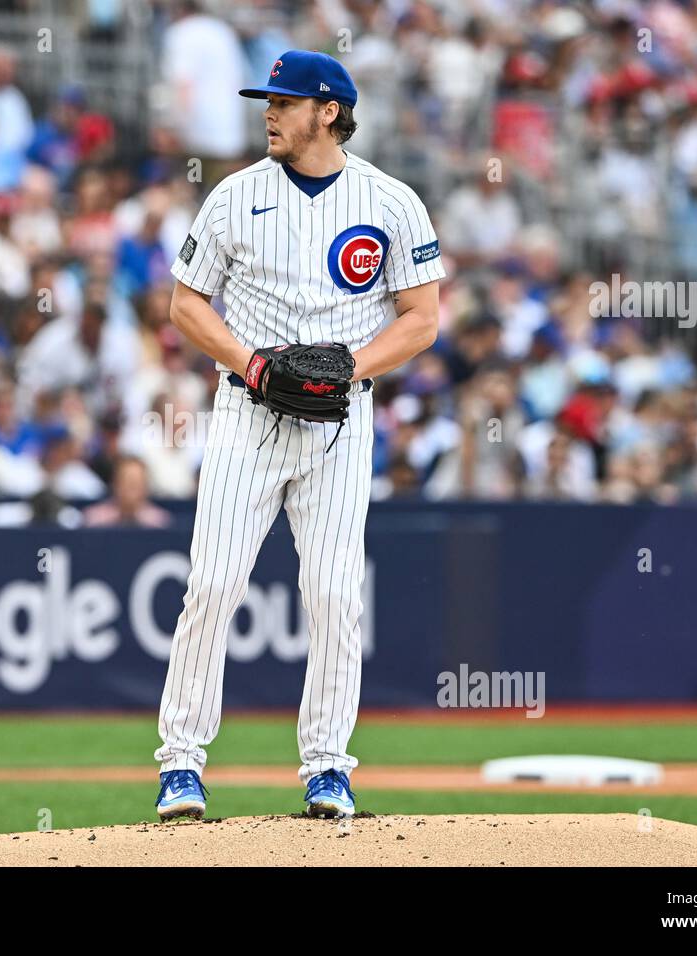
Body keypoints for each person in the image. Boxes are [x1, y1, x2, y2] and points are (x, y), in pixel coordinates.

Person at [153, 51, 443, 820]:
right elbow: (186, 305)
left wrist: (348, 367)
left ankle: (328, 767)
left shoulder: (391, 201)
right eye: (267, 100)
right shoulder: (234, 195)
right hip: (248, 413)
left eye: (284, 100)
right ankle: (180, 762)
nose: (269, 112)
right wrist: (250, 363)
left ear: (328, 110)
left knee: (336, 593)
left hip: (342, 424)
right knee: (212, 585)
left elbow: (423, 318)